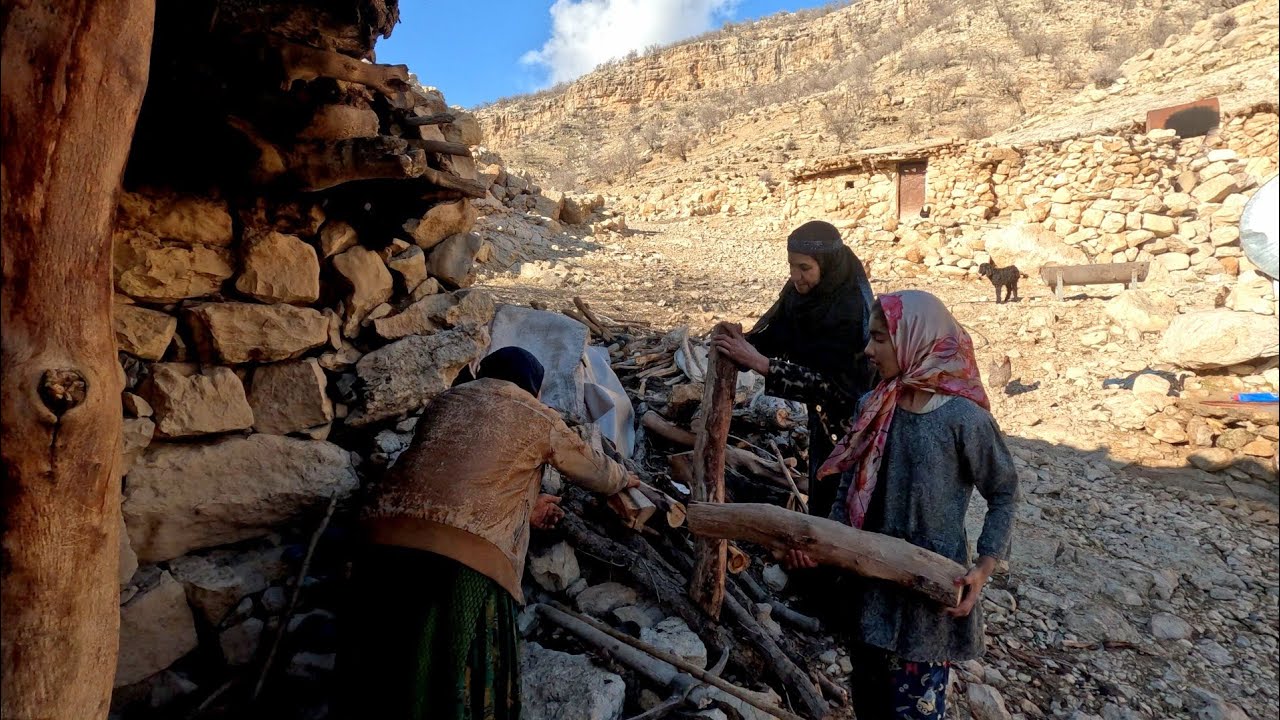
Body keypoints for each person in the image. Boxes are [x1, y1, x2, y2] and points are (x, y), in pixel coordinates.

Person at [336, 346, 639, 720]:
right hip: (464, 560)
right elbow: (593, 470)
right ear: (534, 386)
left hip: (381, 538)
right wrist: (624, 478)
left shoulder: (445, 401)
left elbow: (460, 478)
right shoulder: (535, 413)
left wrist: (526, 505)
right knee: (454, 671)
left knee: (383, 660)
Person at [786, 290, 1020, 719]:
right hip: (869, 586)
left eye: (879, 339)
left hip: (926, 596)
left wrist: (982, 570)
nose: (868, 350)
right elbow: (848, 488)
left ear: (914, 340)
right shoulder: (874, 405)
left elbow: (1004, 492)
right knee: (870, 700)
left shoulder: (964, 420)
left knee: (915, 707)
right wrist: (822, 545)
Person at [712, 220, 875, 520]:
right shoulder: (804, 293)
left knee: (844, 504)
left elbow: (836, 388)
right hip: (822, 422)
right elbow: (781, 334)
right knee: (821, 495)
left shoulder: (851, 309)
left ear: (827, 264)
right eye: (791, 266)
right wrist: (743, 343)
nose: (795, 277)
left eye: (804, 268)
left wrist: (762, 365)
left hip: (854, 426)